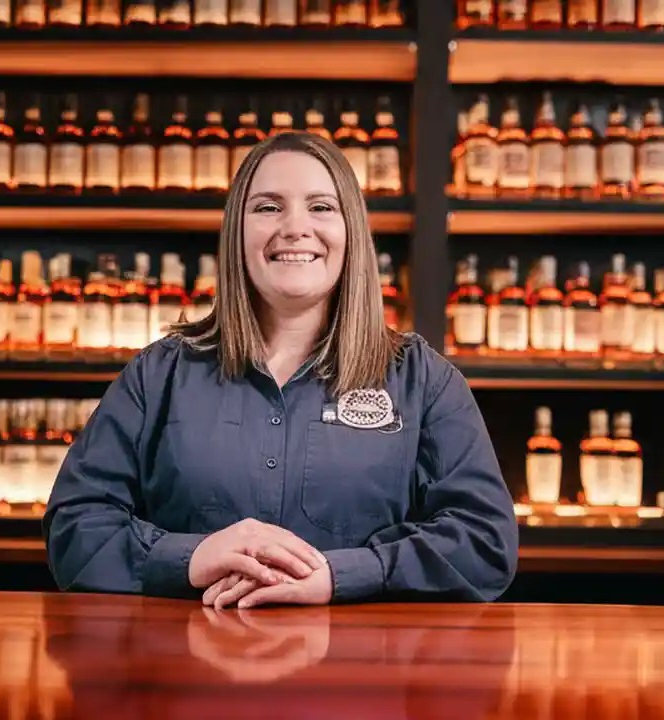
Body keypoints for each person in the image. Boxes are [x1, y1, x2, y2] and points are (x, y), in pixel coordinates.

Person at [43, 131, 517, 607]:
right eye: (269, 207)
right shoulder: (158, 375)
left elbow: (484, 541)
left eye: (321, 207)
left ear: (351, 231)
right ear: (237, 231)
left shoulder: (423, 380)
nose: (295, 227)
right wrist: (191, 557)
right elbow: (75, 527)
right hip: (187, 653)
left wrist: (343, 574)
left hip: (364, 654)